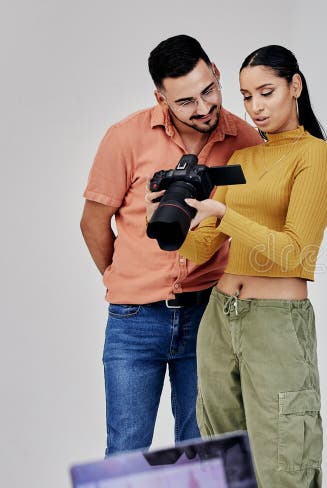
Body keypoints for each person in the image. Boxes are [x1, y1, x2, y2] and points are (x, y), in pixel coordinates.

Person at [146, 45, 327, 487]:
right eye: (247, 97)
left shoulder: (315, 156)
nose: (255, 108)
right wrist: (167, 218)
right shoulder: (242, 159)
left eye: (266, 92)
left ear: (295, 86)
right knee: (222, 461)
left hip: (276, 323)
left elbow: (295, 253)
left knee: (283, 461)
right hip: (220, 316)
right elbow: (202, 249)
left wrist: (222, 213)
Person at [80, 34, 263, 456]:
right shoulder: (125, 137)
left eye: (208, 91)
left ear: (216, 73)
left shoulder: (247, 143)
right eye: (185, 102)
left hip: (208, 317)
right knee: (126, 449)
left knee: (202, 451)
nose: (203, 108)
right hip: (133, 319)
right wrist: (123, 278)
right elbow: (93, 222)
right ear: (161, 97)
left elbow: (257, 225)